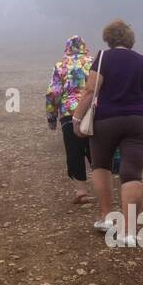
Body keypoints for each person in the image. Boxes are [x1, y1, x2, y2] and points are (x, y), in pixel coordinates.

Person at [73, 20, 143, 245]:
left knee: (101, 165)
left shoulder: (103, 58)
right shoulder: (142, 61)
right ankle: (129, 232)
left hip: (106, 120)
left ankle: (107, 218)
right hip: (137, 121)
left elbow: (91, 90)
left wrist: (76, 118)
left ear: (108, 38)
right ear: (129, 38)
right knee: (132, 173)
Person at [45, 35, 94, 203]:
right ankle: (103, 186)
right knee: (96, 150)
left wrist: (51, 118)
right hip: (93, 112)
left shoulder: (61, 66)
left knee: (74, 152)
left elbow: (54, 93)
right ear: (84, 46)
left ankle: (81, 191)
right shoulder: (93, 63)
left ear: (67, 48)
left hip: (68, 114)